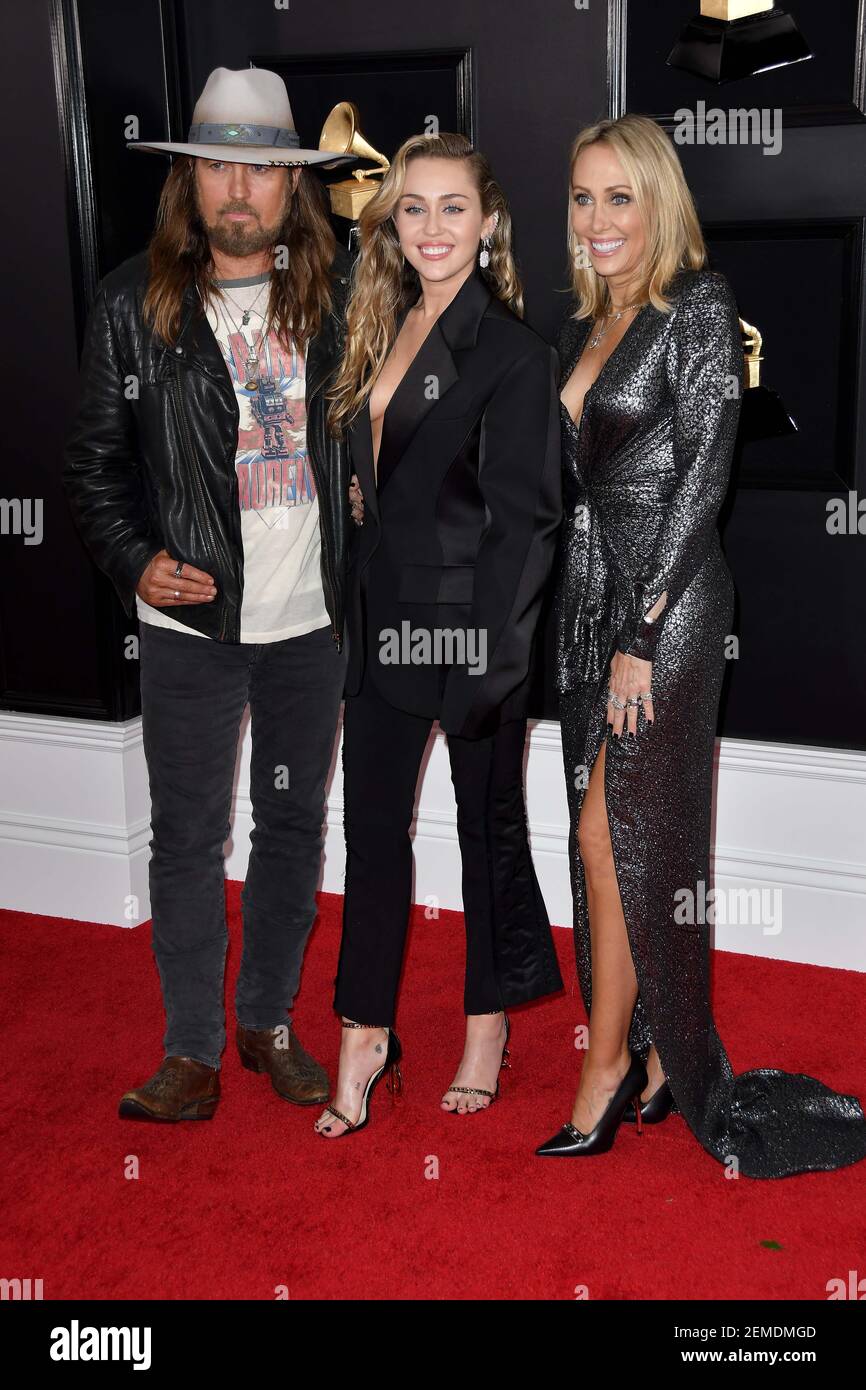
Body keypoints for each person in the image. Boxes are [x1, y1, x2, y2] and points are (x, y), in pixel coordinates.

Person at [536, 113, 866, 1177]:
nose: (596, 218)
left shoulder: (699, 308)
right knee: (602, 835)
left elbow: (700, 482)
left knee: (613, 833)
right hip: (589, 599)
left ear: (657, 204)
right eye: (582, 198)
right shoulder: (586, 323)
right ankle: (657, 1059)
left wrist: (640, 630)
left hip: (666, 612)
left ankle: (609, 1066)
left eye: (617, 197)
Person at [63, 67, 357, 1121]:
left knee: (289, 824)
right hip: (187, 622)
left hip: (310, 621)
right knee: (185, 835)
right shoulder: (129, 303)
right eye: (220, 166)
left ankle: (266, 1020)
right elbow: (93, 465)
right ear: (189, 183)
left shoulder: (343, 288)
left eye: (263, 170)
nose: (240, 189)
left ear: (292, 192)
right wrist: (136, 557)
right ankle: (189, 1048)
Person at [315, 131, 564, 1137]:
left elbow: (526, 522)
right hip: (378, 624)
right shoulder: (376, 326)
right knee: (369, 833)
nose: (430, 227)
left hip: (467, 634)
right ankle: (363, 1030)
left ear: (487, 221)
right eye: (410, 207)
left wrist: (497, 665)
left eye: (451, 206)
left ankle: (485, 1025)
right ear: (391, 223)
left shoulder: (511, 352)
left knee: (481, 834)